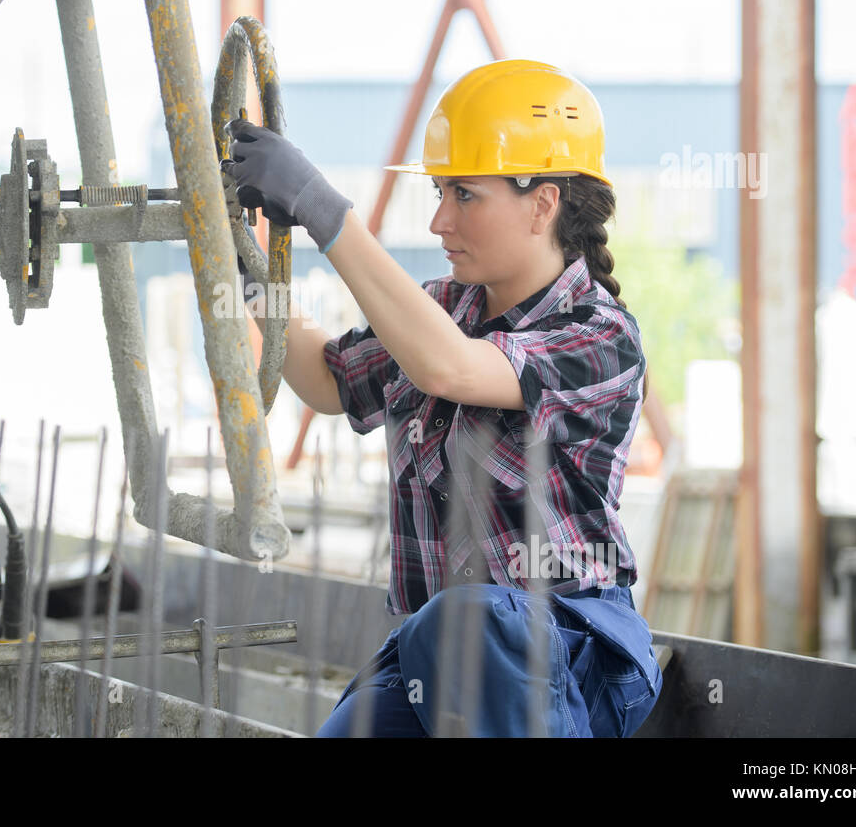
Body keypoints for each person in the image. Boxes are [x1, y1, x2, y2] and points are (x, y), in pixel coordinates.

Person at [222, 58, 663, 737]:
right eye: (438, 192)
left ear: (542, 203)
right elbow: (325, 379)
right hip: (445, 656)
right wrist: (242, 269)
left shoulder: (599, 338)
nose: (438, 221)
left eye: (463, 194)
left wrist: (320, 207)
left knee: (468, 618)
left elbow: (450, 371)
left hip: (575, 656)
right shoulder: (443, 311)